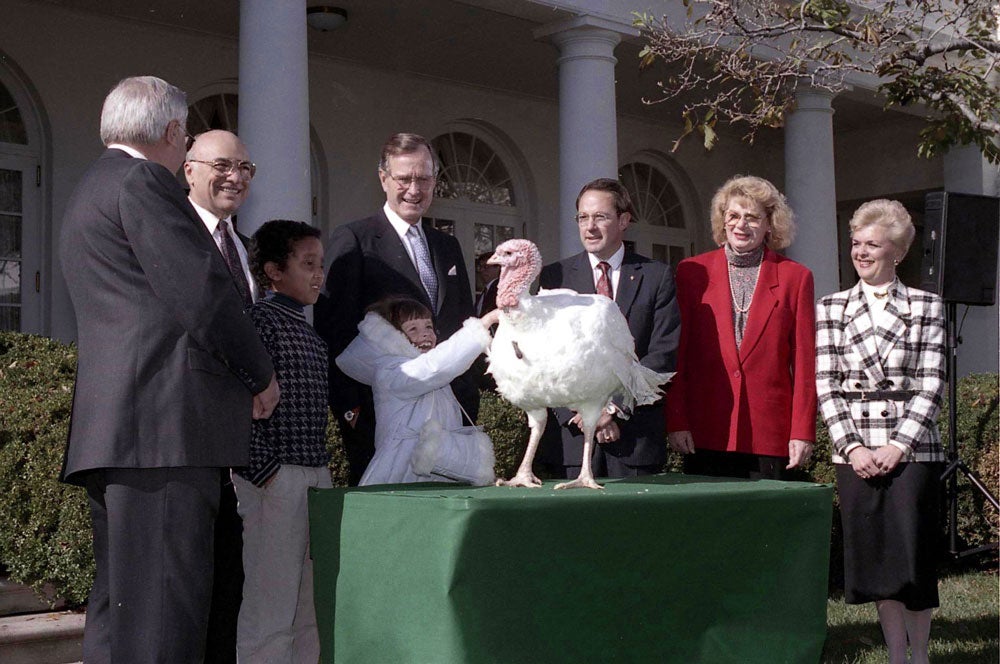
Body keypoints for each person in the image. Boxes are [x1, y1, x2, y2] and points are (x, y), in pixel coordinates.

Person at [58, 76, 278, 663]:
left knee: (121, 617)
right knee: (164, 620)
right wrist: (260, 375)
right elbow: (204, 295)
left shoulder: (91, 187)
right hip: (164, 432)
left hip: (122, 434)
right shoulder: (144, 182)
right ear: (173, 130)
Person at [816, 199, 945, 664]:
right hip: (855, 450)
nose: (861, 252)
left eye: (873, 244)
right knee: (877, 562)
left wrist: (899, 444)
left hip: (913, 450)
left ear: (897, 252)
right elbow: (825, 385)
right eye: (856, 243)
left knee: (913, 558)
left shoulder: (927, 305)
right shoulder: (830, 308)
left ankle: (922, 655)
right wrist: (851, 447)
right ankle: (895, 655)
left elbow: (932, 383)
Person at [314, 133, 477, 485]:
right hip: (383, 418)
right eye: (404, 179)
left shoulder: (447, 245)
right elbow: (334, 329)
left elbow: (461, 319)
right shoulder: (355, 239)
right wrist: (351, 409)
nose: (414, 189)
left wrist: (468, 393)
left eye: (424, 179)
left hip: (447, 416)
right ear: (384, 179)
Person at [665, 175, 815, 479]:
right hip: (705, 429)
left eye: (752, 217)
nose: (740, 225)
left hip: (768, 433)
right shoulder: (692, 272)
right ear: (723, 221)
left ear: (770, 224)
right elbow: (678, 354)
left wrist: (802, 431)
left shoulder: (795, 278)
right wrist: (677, 420)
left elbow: (804, 364)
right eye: (733, 215)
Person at [233, 219, 332, 663]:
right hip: (275, 481)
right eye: (307, 264)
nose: (318, 274)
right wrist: (264, 470)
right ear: (273, 271)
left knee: (309, 603)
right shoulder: (257, 322)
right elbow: (236, 399)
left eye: (321, 264)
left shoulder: (310, 334)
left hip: (315, 474)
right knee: (270, 603)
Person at [537, 178, 680, 479]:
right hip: (570, 441)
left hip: (634, 443)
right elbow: (546, 357)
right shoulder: (555, 276)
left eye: (600, 217)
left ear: (624, 220)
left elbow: (662, 353)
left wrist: (613, 410)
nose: (590, 227)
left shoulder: (656, 277)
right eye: (583, 217)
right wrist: (584, 415)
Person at [184, 128, 257, 664]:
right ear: (189, 168)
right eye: (223, 165)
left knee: (228, 579)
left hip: (237, 444)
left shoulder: (243, 245)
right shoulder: (175, 233)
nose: (235, 176)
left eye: (245, 168)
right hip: (185, 436)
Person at [336, 297, 499, 486]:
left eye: (429, 327)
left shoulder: (437, 378)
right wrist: (482, 325)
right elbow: (435, 367)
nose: (425, 335)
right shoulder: (392, 371)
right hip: (398, 477)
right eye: (413, 329)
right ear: (393, 338)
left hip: (439, 477)